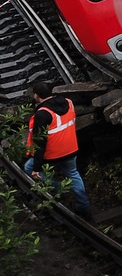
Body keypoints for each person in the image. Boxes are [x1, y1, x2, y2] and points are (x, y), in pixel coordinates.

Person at [24, 81, 92, 220]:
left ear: (36, 96)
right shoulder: (68, 102)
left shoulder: (43, 114)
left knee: (29, 167)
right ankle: (83, 206)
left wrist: (37, 167)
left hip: (52, 154)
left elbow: (39, 143)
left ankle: (58, 189)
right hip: (71, 149)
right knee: (73, 174)